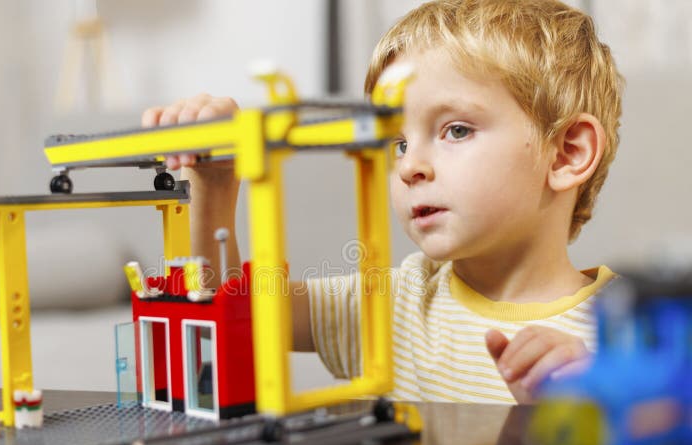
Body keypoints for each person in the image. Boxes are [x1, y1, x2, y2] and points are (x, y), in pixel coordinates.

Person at [141, 0, 623, 404]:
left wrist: (602, 404)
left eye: (455, 130)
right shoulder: (389, 303)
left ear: (567, 154)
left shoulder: (633, 332)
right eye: (396, 143)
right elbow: (230, 315)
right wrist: (213, 186)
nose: (411, 166)